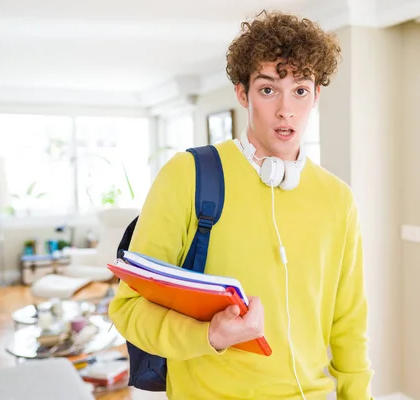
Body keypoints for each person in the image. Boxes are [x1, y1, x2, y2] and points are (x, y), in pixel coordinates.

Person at [108, 10, 373, 400]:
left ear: (316, 95)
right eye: (268, 89)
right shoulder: (188, 175)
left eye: (300, 90)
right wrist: (210, 335)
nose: (286, 110)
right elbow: (129, 309)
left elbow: (348, 323)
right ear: (242, 93)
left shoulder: (337, 198)